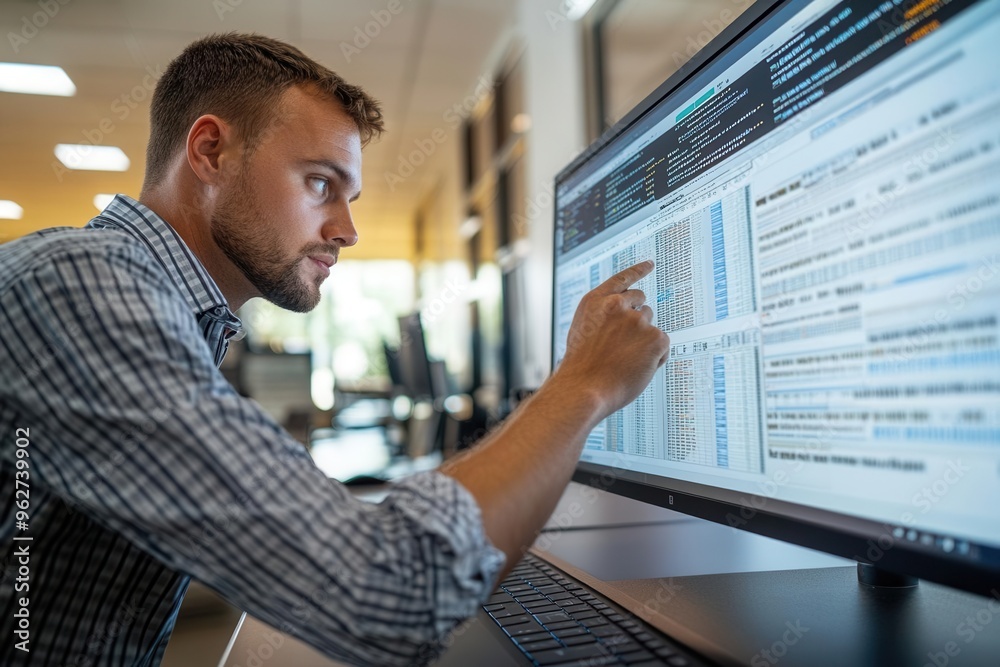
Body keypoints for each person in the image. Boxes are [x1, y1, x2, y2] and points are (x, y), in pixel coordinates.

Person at [0, 33, 670, 666]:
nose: (346, 230)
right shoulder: (82, 287)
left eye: (349, 196)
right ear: (208, 151)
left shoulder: (166, 308)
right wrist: (584, 383)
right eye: (321, 183)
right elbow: (389, 597)